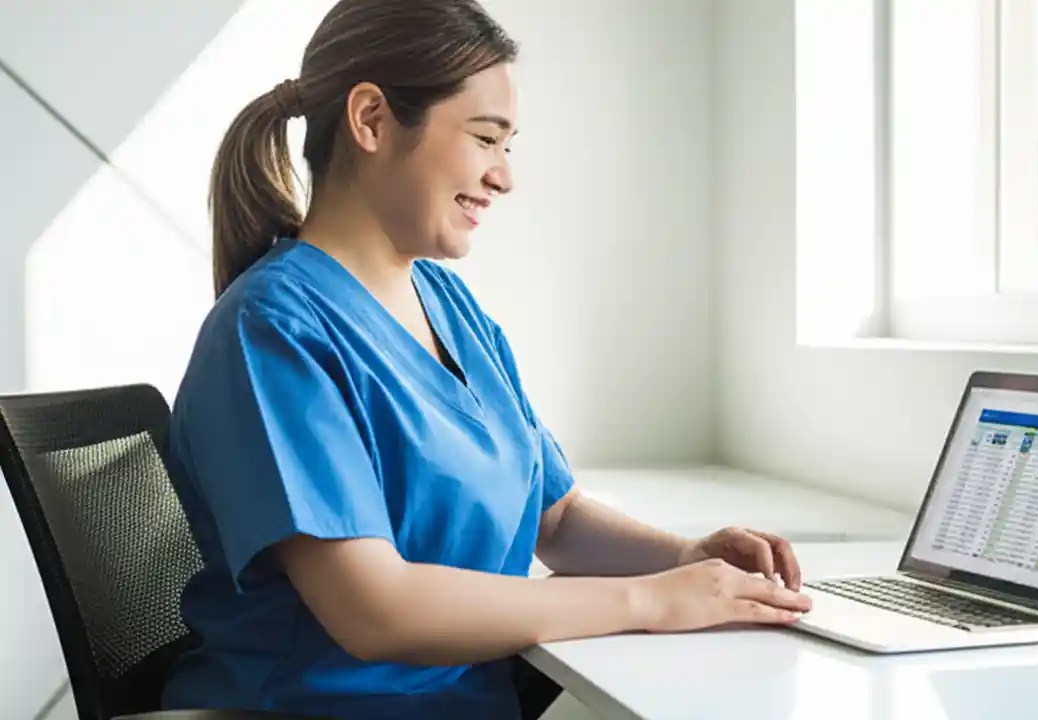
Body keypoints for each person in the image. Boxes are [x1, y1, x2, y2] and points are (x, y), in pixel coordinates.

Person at [161, 1, 812, 718]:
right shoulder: (272, 330)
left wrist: (685, 558)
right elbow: (375, 611)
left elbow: (554, 520)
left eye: (509, 146)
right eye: (485, 139)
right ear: (371, 120)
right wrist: (647, 600)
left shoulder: (447, 302)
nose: (504, 177)